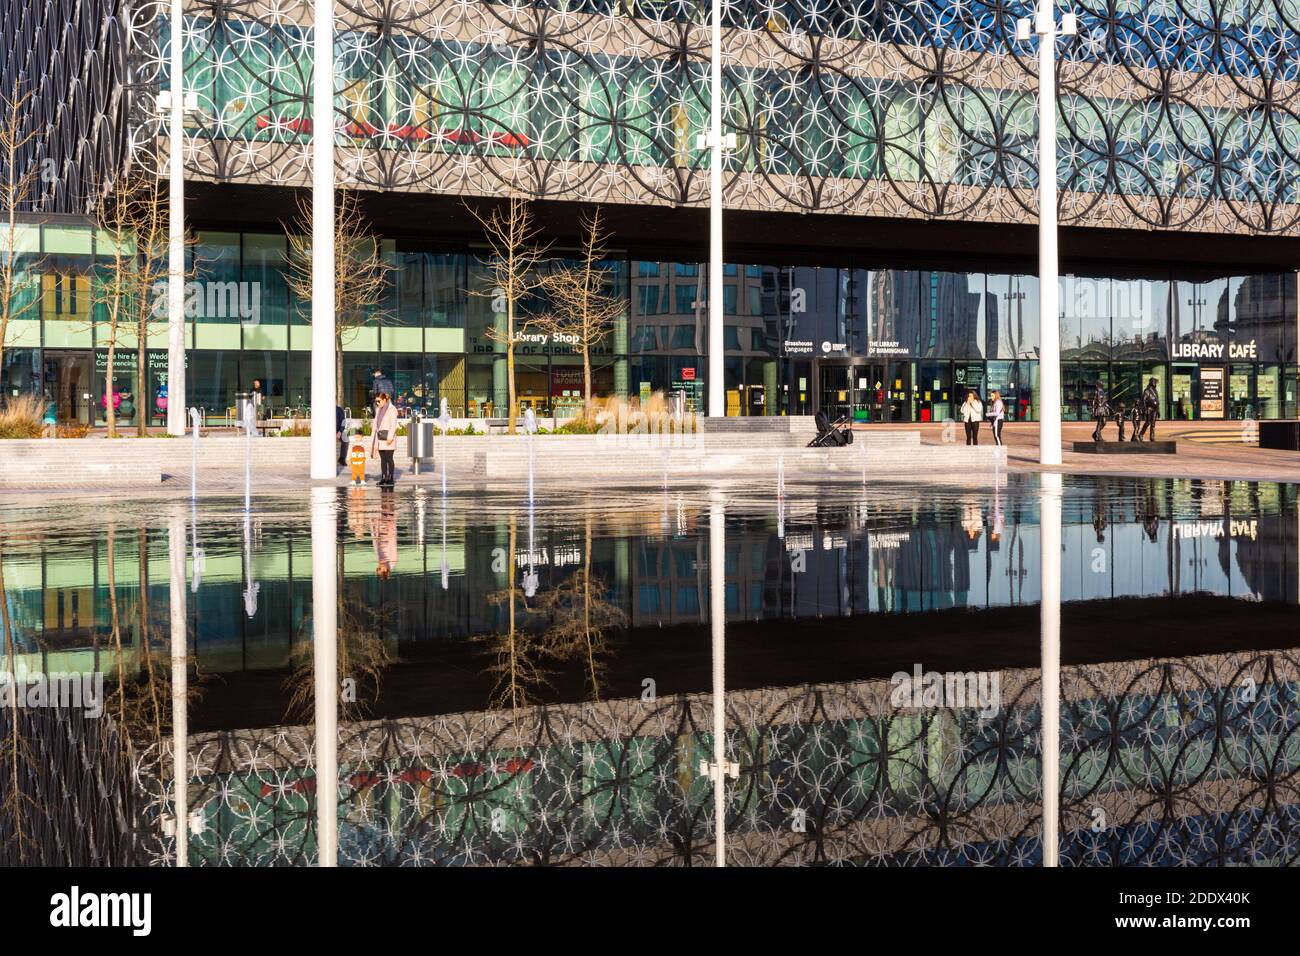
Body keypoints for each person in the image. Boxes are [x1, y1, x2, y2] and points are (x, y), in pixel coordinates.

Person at [371, 391, 398, 487]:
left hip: (388, 438)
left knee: (389, 458)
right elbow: (375, 424)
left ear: (384, 400)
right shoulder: (378, 409)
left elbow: (393, 424)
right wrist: (373, 438)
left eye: (379, 401)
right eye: (376, 401)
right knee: (383, 459)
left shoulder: (392, 409)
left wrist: (390, 437)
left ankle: (390, 478)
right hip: (380, 438)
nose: (377, 403)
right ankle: (383, 477)